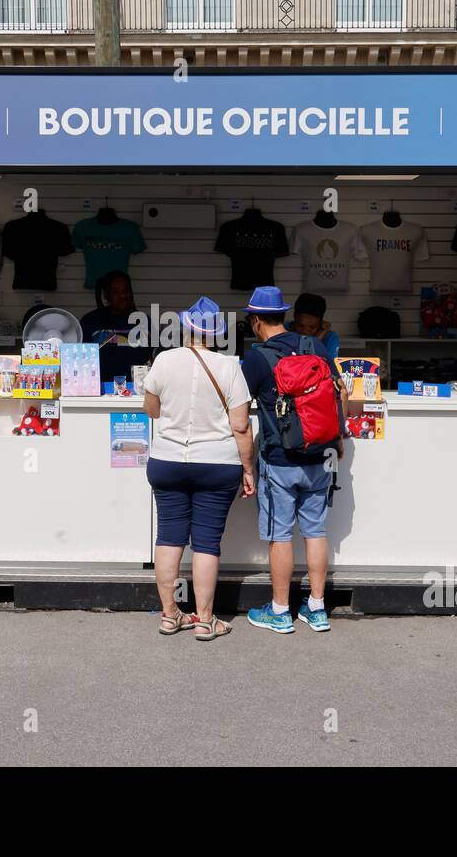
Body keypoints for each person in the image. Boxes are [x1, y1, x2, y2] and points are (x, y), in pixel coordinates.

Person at [142, 297, 255, 641]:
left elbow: (151, 410)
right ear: (218, 334)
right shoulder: (230, 367)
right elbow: (240, 426)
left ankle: (169, 615)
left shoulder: (163, 360)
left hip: (168, 460)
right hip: (217, 464)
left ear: (186, 328)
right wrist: (248, 469)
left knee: (169, 536)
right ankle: (205, 620)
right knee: (206, 541)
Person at [240, 286, 348, 634]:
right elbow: (340, 391)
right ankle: (316, 608)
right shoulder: (313, 345)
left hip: (279, 460)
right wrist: (339, 435)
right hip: (319, 455)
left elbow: (239, 411)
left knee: (280, 536)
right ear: (283, 316)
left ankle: (280, 610)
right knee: (316, 531)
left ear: (256, 321)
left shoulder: (257, 358)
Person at [79, 270, 153, 382]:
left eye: (126, 290)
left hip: (136, 391)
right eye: (116, 291)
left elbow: (154, 357)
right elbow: (81, 361)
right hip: (100, 391)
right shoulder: (90, 321)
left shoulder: (144, 321)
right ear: (107, 295)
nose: (123, 295)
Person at [292, 292, 341, 360]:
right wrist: (315, 341)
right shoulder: (285, 331)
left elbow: (330, 365)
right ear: (294, 319)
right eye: (301, 326)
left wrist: (317, 340)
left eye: (312, 327)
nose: (305, 331)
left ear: (321, 323)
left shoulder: (330, 337)